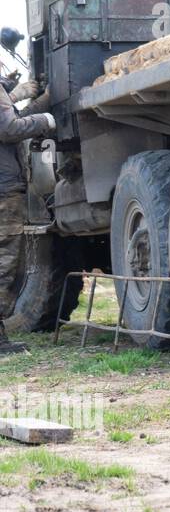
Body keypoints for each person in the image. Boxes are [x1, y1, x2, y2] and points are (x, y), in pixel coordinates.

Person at [0, 62, 56, 355]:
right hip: (4, 189)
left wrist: (18, 94)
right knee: (5, 262)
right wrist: (45, 119)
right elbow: (8, 128)